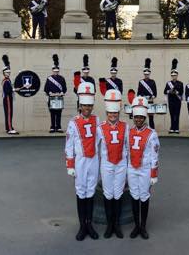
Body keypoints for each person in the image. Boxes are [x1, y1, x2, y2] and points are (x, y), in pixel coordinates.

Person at [65, 79, 100, 241]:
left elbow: (102, 141)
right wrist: (70, 164)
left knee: (91, 192)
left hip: (93, 161)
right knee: (81, 191)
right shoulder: (73, 123)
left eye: (90, 106)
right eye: (85, 106)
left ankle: (89, 224)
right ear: (80, 106)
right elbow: (69, 145)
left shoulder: (97, 120)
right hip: (80, 161)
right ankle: (82, 226)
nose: (87, 108)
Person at [127, 96, 159, 240]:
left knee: (144, 196)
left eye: (141, 117)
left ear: (144, 117)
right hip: (132, 168)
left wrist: (153, 174)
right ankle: (136, 226)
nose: (138, 119)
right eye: (136, 117)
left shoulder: (152, 134)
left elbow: (154, 155)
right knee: (134, 196)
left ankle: (143, 226)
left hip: (145, 169)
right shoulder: (129, 132)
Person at [98, 88, 128, 239]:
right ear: (107, 113)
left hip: (121, 164)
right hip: (107, 164)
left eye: (115, 113)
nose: (113, 115)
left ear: (118, 113)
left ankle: (117, 224)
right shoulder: (100, 127)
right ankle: (110, 225)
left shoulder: (125, 126)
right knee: (108, 194)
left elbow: (129, 147)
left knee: (118, 194)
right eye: (110, 113)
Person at [44, 54, 66, 133]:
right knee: (52, 113)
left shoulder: (62, 78)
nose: (56, 72)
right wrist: (49, 92)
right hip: (52, 97)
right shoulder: (49, 78)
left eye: (57, 71)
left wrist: (61, 92)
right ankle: (52, 127)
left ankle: (59, 127)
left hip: (59, 97)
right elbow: (46, 88)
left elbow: (64, 88)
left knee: (59, 113)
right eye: (55, 71)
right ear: (52, 71)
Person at [136, 58, 158, 130]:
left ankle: (152, 130)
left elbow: (155, 93)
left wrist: (151, 96)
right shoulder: (141, 82)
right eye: (145, 74)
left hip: (150, 101)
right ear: (144, 74)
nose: (146, 75)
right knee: (142, 117)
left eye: (147, 74)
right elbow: (138, 93)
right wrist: (143, 97)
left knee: (151, 118)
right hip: (143, 102)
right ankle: (143, 130)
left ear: (149, 74)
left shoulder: (152, 82)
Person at [163, 59, 184, 134]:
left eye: (175, 75)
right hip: (171, 100)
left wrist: (176, 92)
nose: (174, 76)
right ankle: (172, 128)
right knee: (172, 114)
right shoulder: (168, 83)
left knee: (177, 114)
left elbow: (181, 92)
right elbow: (165, 91)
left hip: (177, 101)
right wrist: (170, 91)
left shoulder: (180, 83)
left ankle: (177, 128)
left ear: (177, 75)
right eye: (172, 75)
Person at [1, 55, 19, 135]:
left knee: (9, 113)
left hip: (8, 98)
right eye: (7, 72)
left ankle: (8, 127)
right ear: (4, 73)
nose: (8, 73)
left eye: (9, 72)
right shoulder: (5, 81)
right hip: (7, 99)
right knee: (8, 113)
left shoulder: (7, 80)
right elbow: (7, 91)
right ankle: (9, 128)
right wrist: (14, 89)